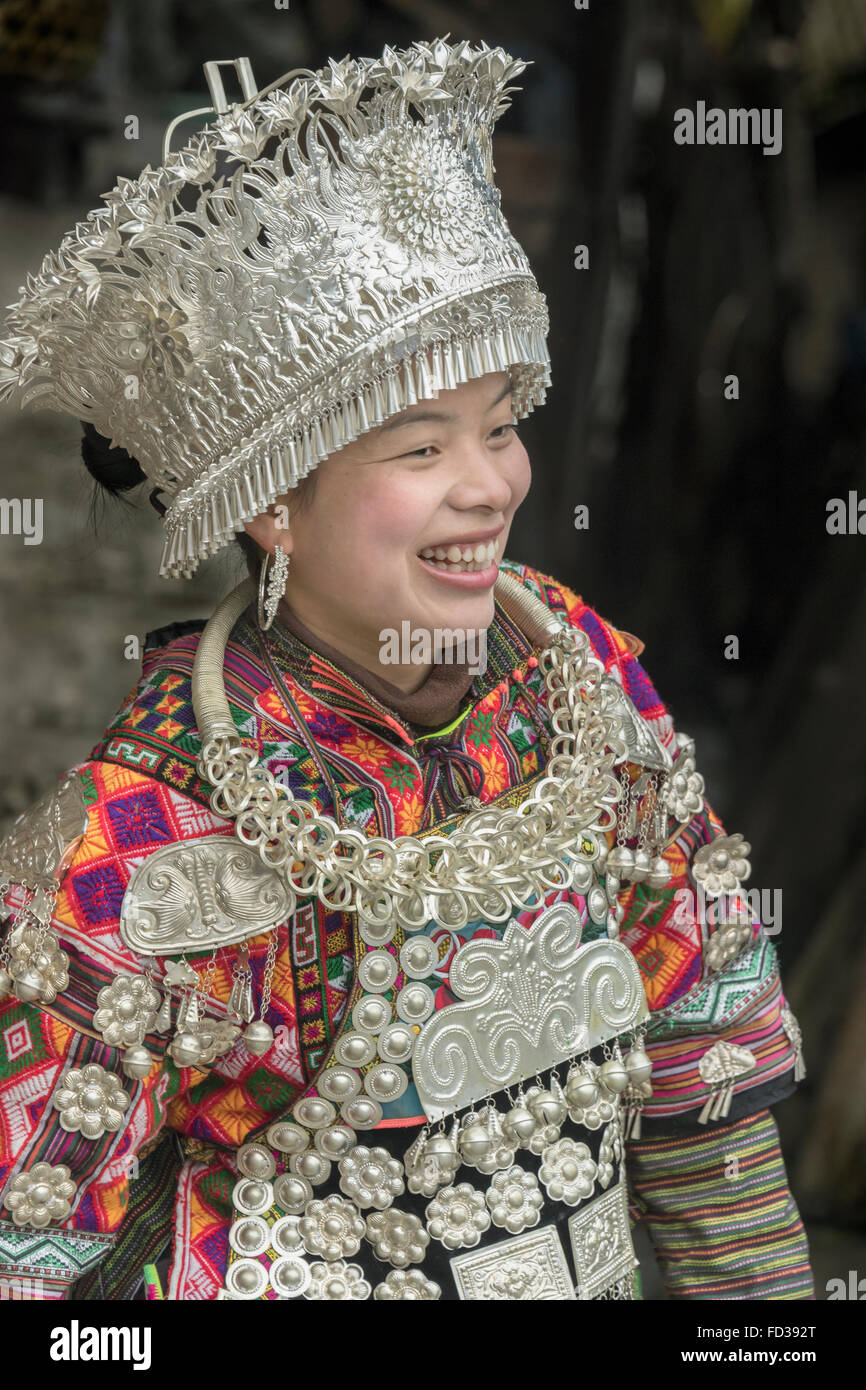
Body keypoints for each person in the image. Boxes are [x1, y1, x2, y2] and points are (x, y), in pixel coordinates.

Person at [0, 38, 813, 1301]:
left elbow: (705, 1106)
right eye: (421, 447)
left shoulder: (582, 681)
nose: (488, 486)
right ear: (272, 504)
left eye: (499, 426)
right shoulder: (137, 837)